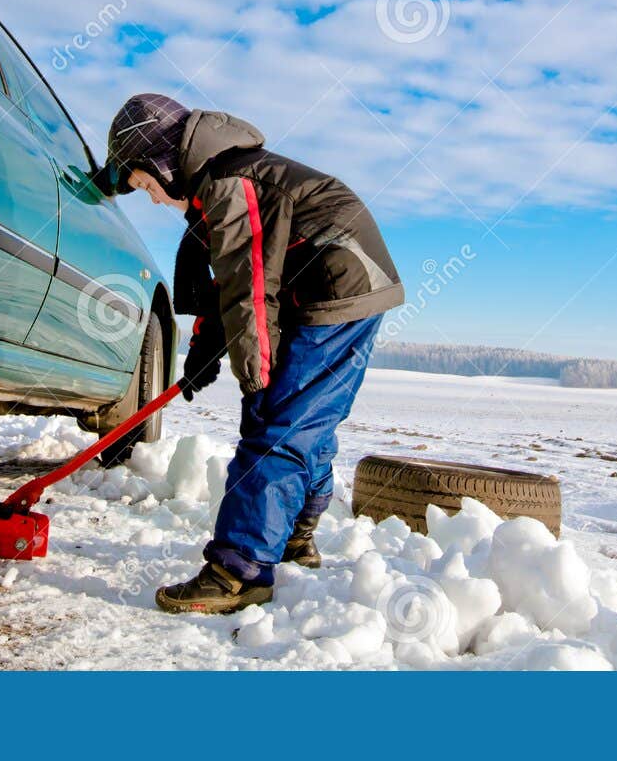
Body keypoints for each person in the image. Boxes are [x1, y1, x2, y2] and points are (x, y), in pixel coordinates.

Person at [104, 93, 404, 613]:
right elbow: (229, 286)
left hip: (336, 289)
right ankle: (294, 534)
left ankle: (239, 571)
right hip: (328, 290)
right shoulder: (220, 182)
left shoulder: (229, 184)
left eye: (147, 185)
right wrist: (202, 352)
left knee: (277, 423)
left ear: (163, 165)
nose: (152, 199)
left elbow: (249, 288)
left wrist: (254, 376)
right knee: (299, 417)